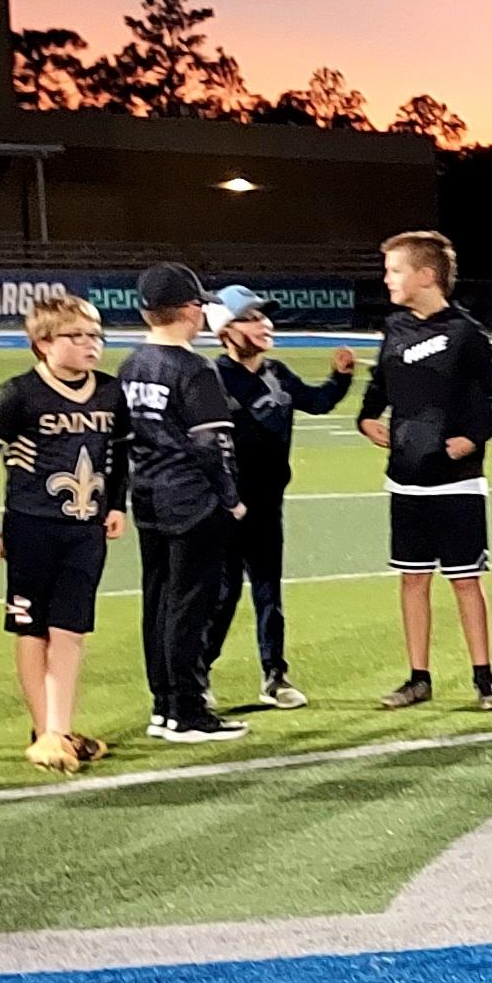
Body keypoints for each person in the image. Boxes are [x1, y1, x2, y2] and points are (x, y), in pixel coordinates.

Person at [0, 289, 129, 773]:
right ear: (42, 342)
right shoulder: (20, 393)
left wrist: (116, 504)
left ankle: (59, 727)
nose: (89, 344)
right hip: (32, 527)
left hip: (86, 530)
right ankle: (46, 730)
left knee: (71, 630)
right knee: (32, 629)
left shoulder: (109, 391)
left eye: (95, 335)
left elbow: (119, 454)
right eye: (75, 336)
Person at [357, 229, 492, 711]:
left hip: (457, 481)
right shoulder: (395, 328)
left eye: (395, 270)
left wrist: (473, 436)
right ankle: (418, 678)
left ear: (425, 275)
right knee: (413, 578)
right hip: (405, 478)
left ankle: (485, 679)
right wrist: (365, 417)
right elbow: (381, 383)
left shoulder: (467, 333)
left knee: (464, 579)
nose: (388, 279)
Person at [115, 262, 246, 744]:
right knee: (191, 604)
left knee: (158, 602)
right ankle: (187, 709)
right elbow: (212, 444)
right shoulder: (195, 368)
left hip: (147, 495)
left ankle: (163, 706)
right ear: (190, 311)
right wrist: (231, 499)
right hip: (192, 499)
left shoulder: (130, 365)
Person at [207, 284, 355, 709]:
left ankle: (275, 676)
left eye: (264, 316)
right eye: (251, 317)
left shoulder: (278, 372)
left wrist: (340, 377)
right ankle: (199, 674)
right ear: (226, 330)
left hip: (268, 506)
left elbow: (318, 402)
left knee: (269, 593)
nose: (264, 324)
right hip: (224, 509)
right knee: (223, 594)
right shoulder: (211, 379)